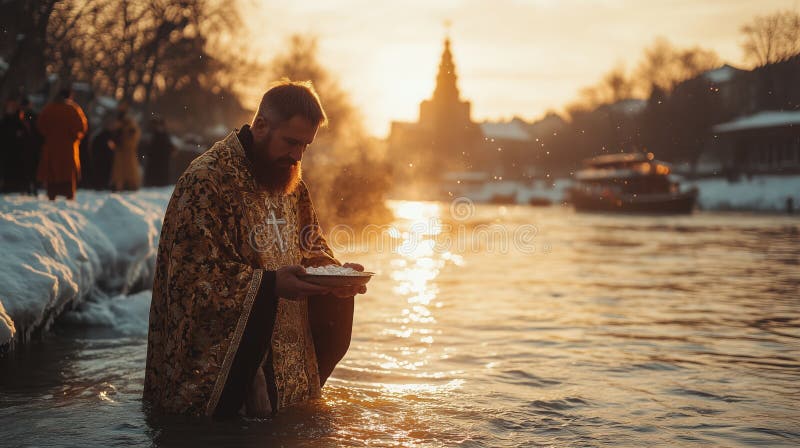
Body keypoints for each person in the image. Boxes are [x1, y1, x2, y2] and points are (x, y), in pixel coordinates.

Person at [143, 80, 367, 418]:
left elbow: (309, 244)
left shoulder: (289, 179)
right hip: (214, 382)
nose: (297, 156)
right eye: (291, 142)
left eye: (305, 146)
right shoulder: (207, 180)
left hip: (285, 367)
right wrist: (271, 285)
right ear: (261, 125)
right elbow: (194, 278)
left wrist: (334, 276)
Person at [36, 87, 88, 200]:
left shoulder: (49, 109)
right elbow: (82, 127)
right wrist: (74, 138)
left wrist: (49, 136)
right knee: (67, 173)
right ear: (69, 96)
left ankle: (52, 194)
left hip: (51, 147)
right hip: (68, 149)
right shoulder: (73, 109)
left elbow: (40, 125)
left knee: (52, 172)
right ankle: (69, 195)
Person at [109, 103, 141, 191]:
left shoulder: (130, 124)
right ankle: (119, 185)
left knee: (129, 170)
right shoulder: (118, 124)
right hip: (120, 151)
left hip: (127, 151)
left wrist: (126, 141)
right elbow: (113, 136)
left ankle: (130, 185)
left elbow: (134, 135)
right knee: (120, 170)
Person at [142, 116, 176, 187]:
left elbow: (168, 146)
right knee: (157, 173)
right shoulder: (156, 134)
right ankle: (157, 182)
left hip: (160, 158)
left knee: (159, 173)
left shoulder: (162, 134)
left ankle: (158, 182)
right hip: (157, 158)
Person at [90, 115, 120, 190]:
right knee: (102, 173)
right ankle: (101, 185)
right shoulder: (103, 134)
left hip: (105, 158)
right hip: (102, 158)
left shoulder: (108, 134)